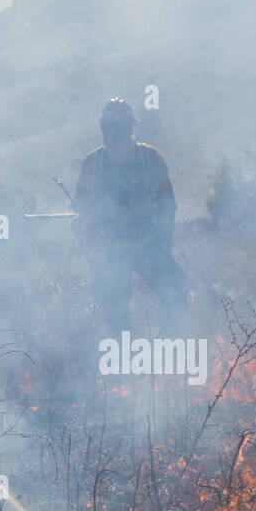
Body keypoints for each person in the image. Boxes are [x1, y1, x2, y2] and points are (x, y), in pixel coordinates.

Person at [74, 98, 188, 336]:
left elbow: (168, 205)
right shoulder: (92, 165)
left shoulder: (149, 159)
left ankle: (171, 345)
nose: (115, 135)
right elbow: (82, 213)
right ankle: (122, 365)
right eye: (111, 127)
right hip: (110, 253)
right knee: (115, 317)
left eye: (119, 127)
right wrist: (94, 251)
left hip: (148, 245)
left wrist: (162, 245)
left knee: (176, 291)